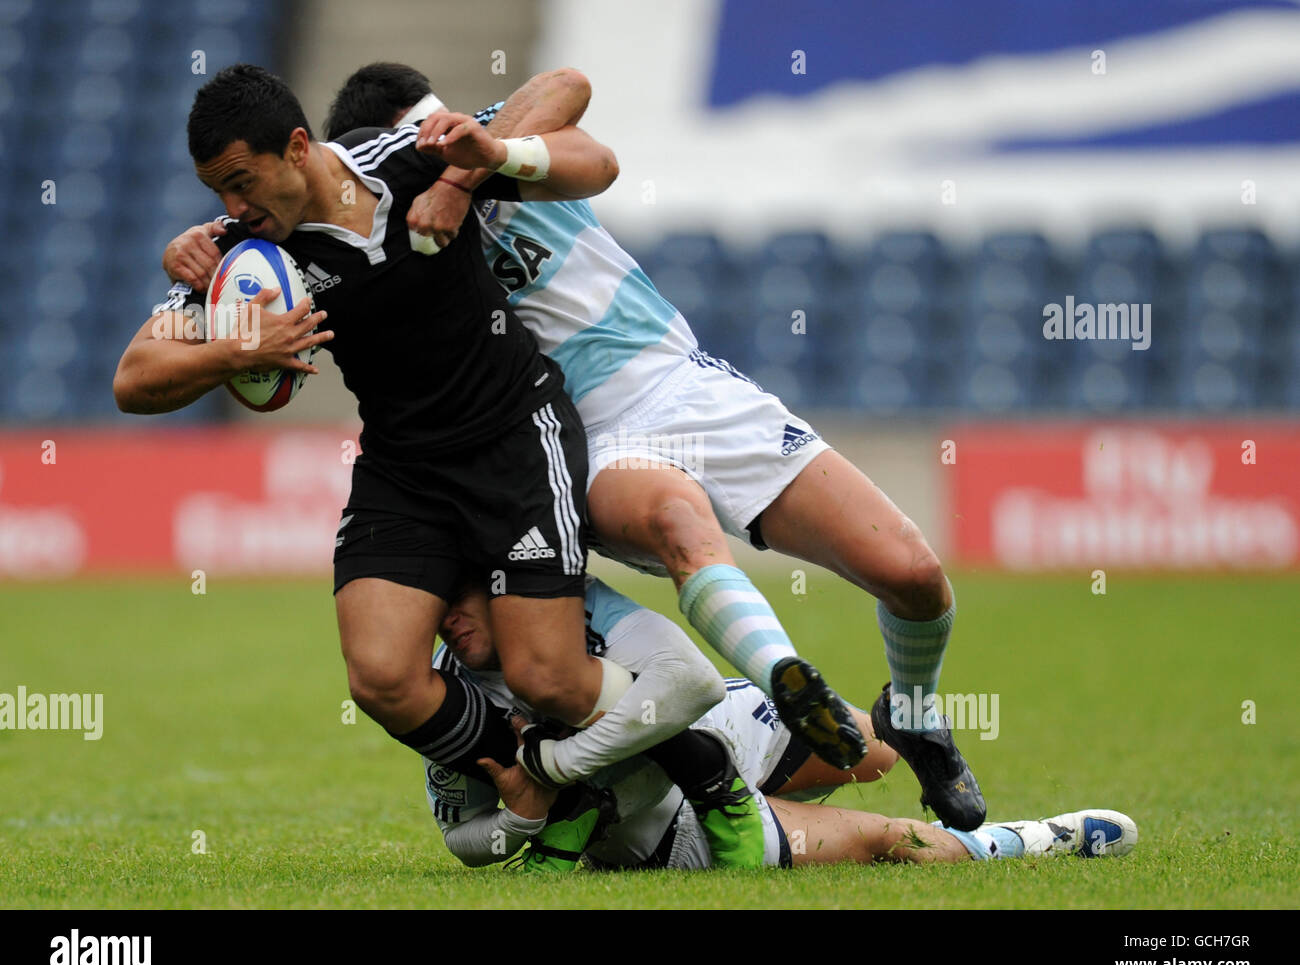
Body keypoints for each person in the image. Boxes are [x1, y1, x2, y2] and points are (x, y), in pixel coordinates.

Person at [115, 64, 768, 866]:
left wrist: (466, 176)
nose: (231, 209)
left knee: (552, 677)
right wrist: (241, 345)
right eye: (217, 193)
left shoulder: (406, 156)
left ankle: (709, 771)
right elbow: (134, 376)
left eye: (242, 183)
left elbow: (570, 103)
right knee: (382, 674)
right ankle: (526, 774)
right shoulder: (244, 255)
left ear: (297, 148)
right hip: (405, 469)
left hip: (513, 441)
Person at [313, 62, 987, 829]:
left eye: (446, 124)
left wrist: (467, 172)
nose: (443, 141)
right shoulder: (391, 240)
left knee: (913, 573)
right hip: (578, 436)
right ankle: (792, 686)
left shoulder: (502, 144)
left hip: (689, 382)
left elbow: (566, 84)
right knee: (677, 520)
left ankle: (916, 712)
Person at [422, 576, 1138, 871]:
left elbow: (684, 677)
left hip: (723, 716)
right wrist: (519, 821)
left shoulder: (562, 596)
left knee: (882, 755)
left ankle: (919, 724)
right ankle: (1035, 838)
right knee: (890, 841)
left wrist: (558, 760)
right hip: (668, 822)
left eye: (460, 595)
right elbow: (460, 836)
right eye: (435, 605)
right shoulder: (444, 703)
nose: (449, 618)